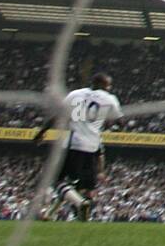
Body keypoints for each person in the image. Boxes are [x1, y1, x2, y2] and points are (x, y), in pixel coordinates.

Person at [34, 73, 122, 222]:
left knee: (59, 182)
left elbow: (59, 116)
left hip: (74, 143)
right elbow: (120, 123)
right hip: (93, 146)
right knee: (79, 187)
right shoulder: (110, 99)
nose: (109, 88)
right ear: (103, 85)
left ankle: (80, 204)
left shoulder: (75, 94)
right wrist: (106, 124)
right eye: (108, 85)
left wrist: (42, 132)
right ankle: (52, 213)